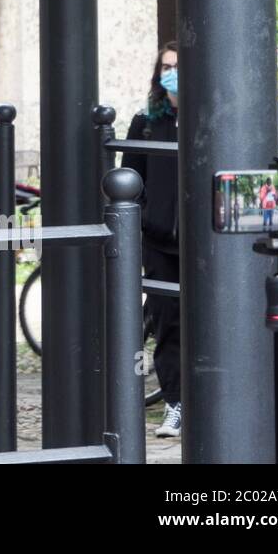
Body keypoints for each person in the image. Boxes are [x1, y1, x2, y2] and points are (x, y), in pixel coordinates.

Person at [121, 42, 182, 439]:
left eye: (179, 66)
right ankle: (176, 404)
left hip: (205, 243)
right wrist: (147, 219)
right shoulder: (145, 122)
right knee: (167, 324)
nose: (172, 73)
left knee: (212, 322)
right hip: (159, 243)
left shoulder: (213, 116)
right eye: (166, 66)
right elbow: (128, 179)